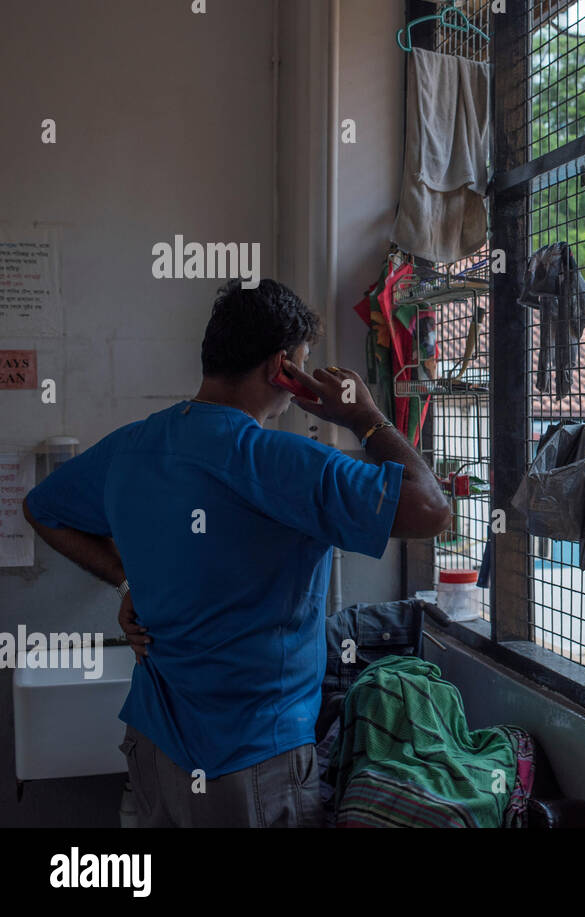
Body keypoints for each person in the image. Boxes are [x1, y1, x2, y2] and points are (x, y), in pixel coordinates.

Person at [22, 278, 450, 827]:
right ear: (283, 370)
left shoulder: (132, 447)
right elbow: (431, 510)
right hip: (251, 765)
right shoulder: (281, 462)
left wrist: (127, 581)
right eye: (302, 362)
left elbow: (41, 508)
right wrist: (364, 417)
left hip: (152, 750)